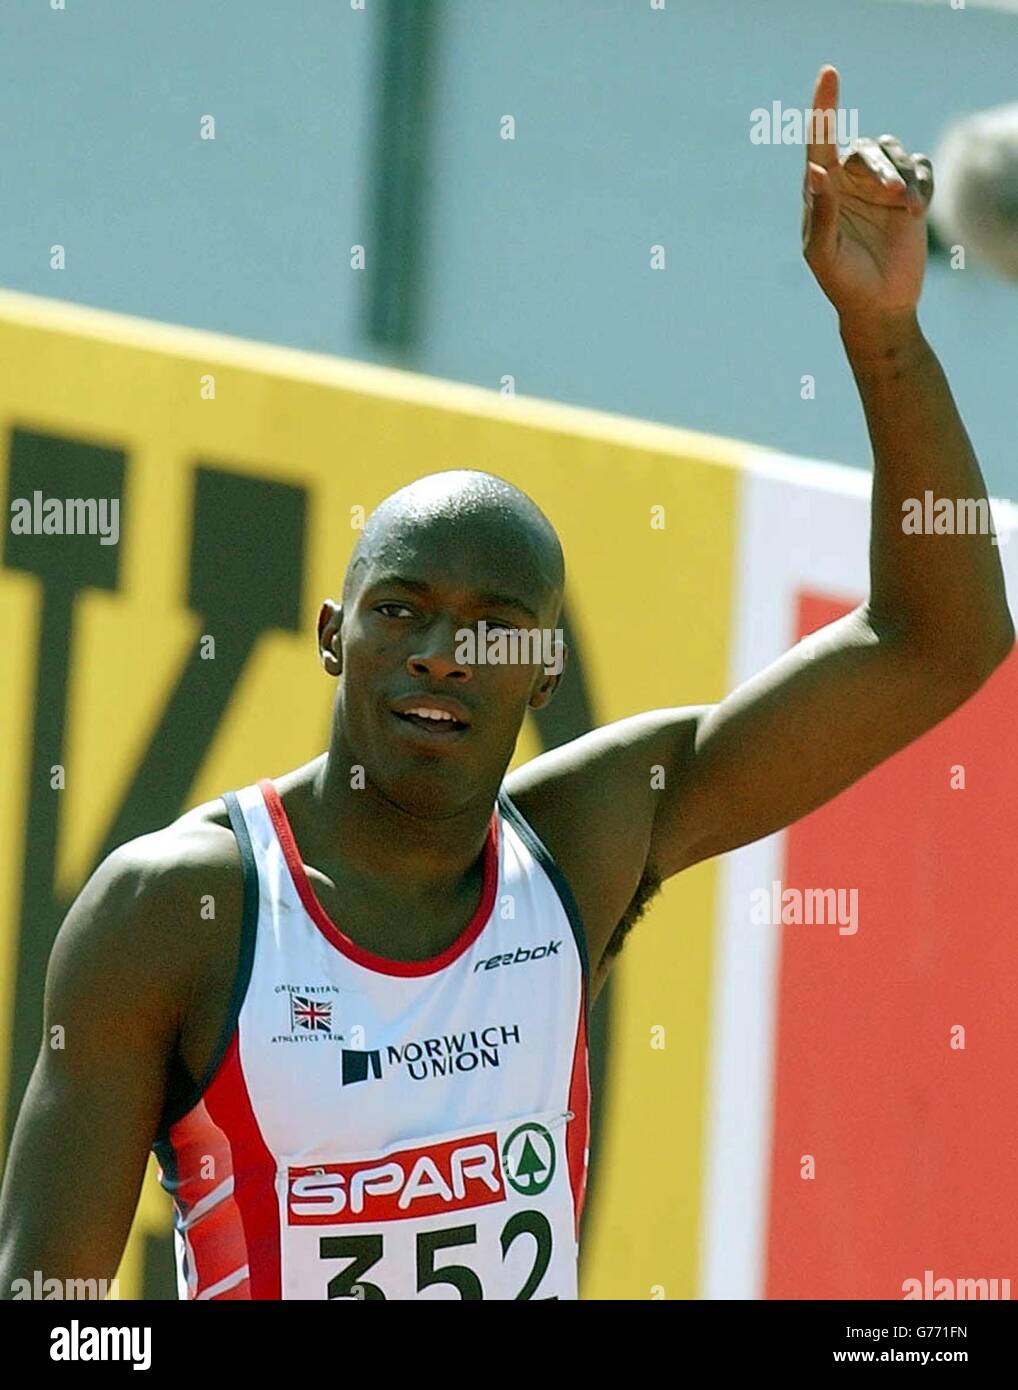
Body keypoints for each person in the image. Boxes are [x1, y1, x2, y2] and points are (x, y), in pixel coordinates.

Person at [0, 67, 1012, 1301]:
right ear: (332, 637)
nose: (440, 652)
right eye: (401, 611)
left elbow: (939, 641)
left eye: (493, 627)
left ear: (543, 672)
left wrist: (882, 335)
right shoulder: (175, 910)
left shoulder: (582, 845)